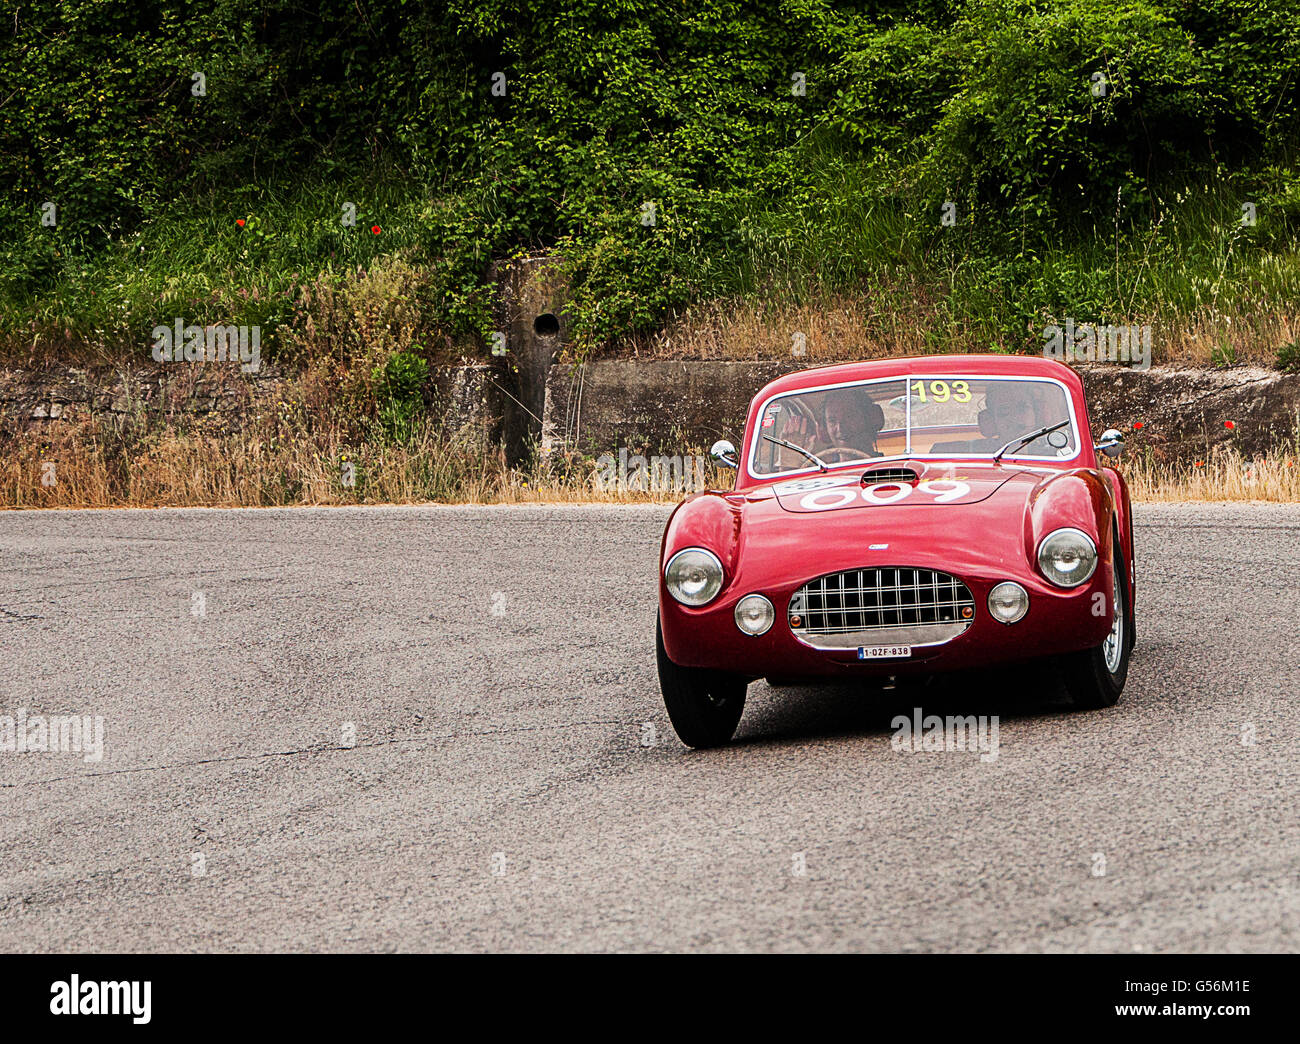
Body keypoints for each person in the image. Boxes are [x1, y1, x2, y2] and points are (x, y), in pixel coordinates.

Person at [816, 390, 884, 460]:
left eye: (849, 417)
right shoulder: (821, 469)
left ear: (868, 419)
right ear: (824, 428)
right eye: (832, 421)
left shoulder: (887, 469)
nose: (840, 428)